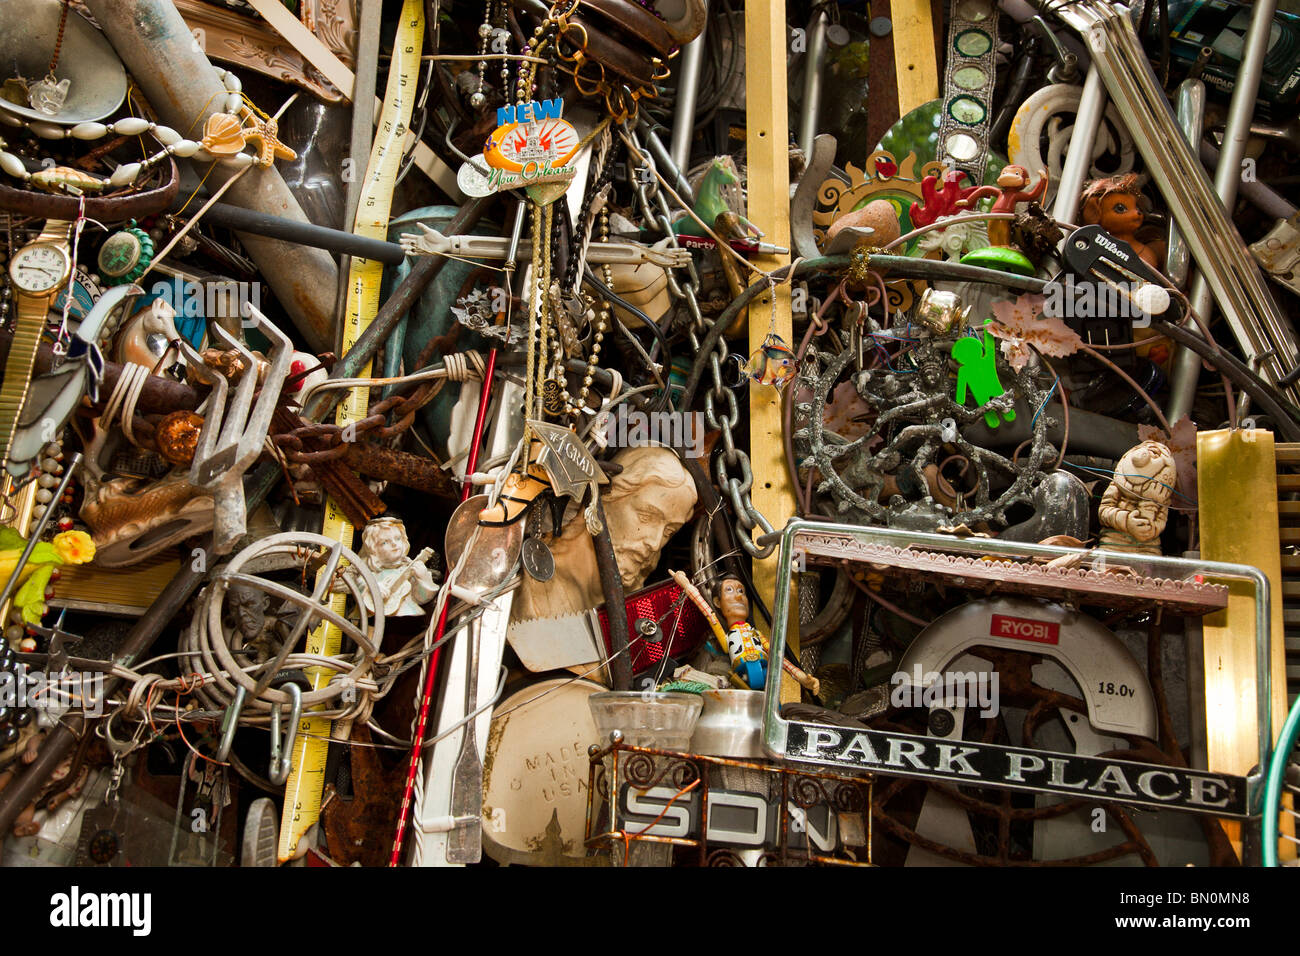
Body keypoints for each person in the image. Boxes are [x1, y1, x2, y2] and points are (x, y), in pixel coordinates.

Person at [512, 445, 697, 623]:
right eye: (646, 517)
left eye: (669, 531)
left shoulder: (632, 613)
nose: (655, 543)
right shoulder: (533, 597)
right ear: (606, 496)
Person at [358, 517, 438, 617]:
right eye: (384, 542)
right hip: (375, 619)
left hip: (409, 619)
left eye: (398, 538)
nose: (394, 544)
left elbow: (421, 598)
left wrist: (423, 579)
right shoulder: (369, 572)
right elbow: (358, 584)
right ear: (372, 549)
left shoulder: (408, 569)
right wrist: (372, 587)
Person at [711, 574, 767, 689]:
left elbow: (777, 656)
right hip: (741, 674)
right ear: (717, 602)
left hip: (764, 669)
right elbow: (708, 613)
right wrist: (687, 586)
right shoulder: (729, 636)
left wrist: (800, 676)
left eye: (741, 591)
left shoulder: (755, 633)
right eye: (729, 590)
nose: (738, 597)